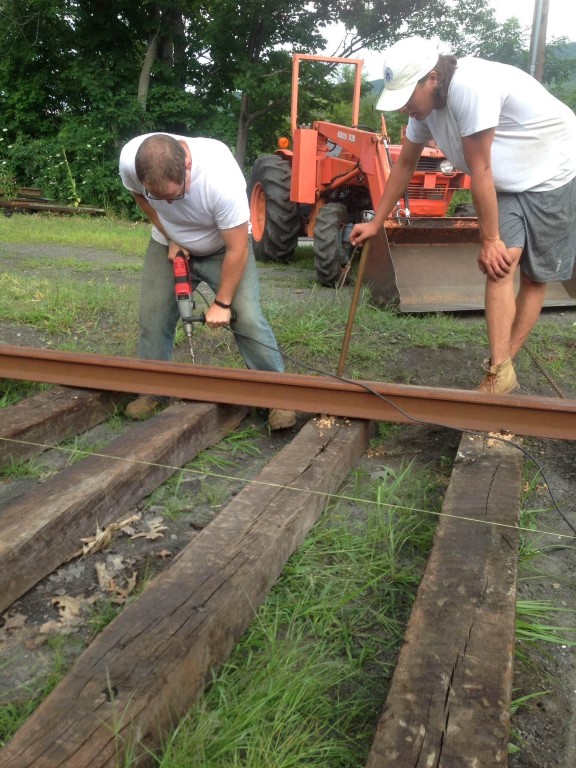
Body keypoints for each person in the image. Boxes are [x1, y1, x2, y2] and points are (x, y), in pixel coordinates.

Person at [350, 37, 576, 393]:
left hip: (553, 170)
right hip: (506, 178)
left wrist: (489, 238)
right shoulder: (423, 111)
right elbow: (405, 164)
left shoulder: (470, 87)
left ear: (433, 78)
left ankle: (501, 367)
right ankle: (500, 372)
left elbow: (479, 168)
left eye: (408, 96)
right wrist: (376, 222)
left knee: (535, 277)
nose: (404, 107)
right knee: (501, 263)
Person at [119, 132, 295, 429]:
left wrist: (222, 303)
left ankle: (277, 396)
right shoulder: (130, 160)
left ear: (187, 164)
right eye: (160, 198)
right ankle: (153, 391)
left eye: (176, 195)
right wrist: (170, 236)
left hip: (223, 248)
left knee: (247, 317)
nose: (169, 203)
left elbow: (237, 249)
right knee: (153, 315)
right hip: (169, 246)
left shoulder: (220, 179)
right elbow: (138, 196)